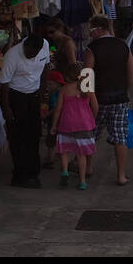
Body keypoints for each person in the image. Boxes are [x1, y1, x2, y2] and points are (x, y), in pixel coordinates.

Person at [82, 14, 133, 186]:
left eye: (91, 30)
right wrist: (125, 89)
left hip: (98, 98)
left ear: (99, 29)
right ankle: (121, 175)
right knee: (120, 137)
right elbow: (131, 73)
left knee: (91, 133)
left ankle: (88, 167)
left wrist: (86, 96)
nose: (90, 34)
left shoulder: (92, 49)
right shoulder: (123, 46)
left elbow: (86, 74)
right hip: (120, 98)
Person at [0, 28, 53, 188]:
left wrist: (43, 96)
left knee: (34, 134)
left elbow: (45, 69)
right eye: (30, 54)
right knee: (18, 136)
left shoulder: (45, 46)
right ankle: (19, 175)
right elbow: (4, 84)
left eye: (35, 54)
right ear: (25, 46)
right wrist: (6, 108)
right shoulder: (12, 56)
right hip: (16, 96)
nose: (33, 57)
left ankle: (33, 171)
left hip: (34, 95)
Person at [50, 61, 98, 189]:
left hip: (66, 123)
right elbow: (95, 107)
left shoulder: (64, 90)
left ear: (67, 76)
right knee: (81, 154)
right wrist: (91, 118)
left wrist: (54, 125)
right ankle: (82, 182)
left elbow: (58, 109)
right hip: (84, 124)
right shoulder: (87, 88)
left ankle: (65, 170)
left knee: (64, 150)